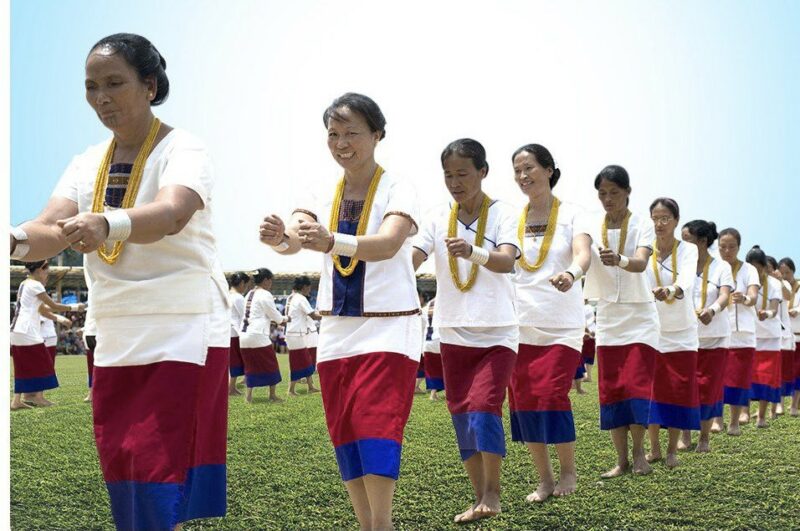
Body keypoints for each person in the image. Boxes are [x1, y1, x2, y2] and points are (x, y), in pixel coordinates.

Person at [9, 33, 230, 530]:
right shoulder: (86, 161)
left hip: (182, 325)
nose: (101, 98)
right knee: (124, 459)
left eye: (114, 83)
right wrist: (13, 240)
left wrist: (108, 223)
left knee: (159, 464)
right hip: (115, 327)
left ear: (149, 85)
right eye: (91, 87)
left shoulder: (184, 148)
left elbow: (172, 213)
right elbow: (50, 228)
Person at [259, 93, 420, 530]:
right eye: (333, 134)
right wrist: (279, 238)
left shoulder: (398, 187)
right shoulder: (319, 190)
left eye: (352, 133)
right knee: (345, 427)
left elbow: (389, 243)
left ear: (377, 134)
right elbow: (297, 236)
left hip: (390, 326)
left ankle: (382, 523)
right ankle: (367, 524)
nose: (341, 143)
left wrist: (331, 241)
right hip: (336, 328)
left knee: (377, 423)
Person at [412, 138, 518, 522]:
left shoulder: (505, 213)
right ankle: (478, 497)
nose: (455, 183)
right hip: (453, 331)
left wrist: (472, 251)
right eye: (448, 176)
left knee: (484, 406)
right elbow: (413, 258)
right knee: (460, 412)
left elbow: (507, 261)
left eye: (462, 174)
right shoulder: (437, 216)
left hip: (498, 331)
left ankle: (493, 493)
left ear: (483, 172)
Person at [506, 143, 591, 502]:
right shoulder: (511, 218)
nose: (523, 176)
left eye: (529, 168)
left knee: (552, 394)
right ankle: (544, 479)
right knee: (523, 399)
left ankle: (568, 471)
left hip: (561, 324)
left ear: (549, 170)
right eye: (517, 171)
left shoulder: (573, 214)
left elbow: (583, 254)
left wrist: (571, 274)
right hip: (520, 323)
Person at [576, 165, 659, 478]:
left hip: (640, 316)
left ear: (628, 192)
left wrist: (620, 259)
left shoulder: (642, 224)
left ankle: (639, 455)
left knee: (636, 385)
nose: (608, 199)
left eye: (614, 192)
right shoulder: (590, 225)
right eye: (602, 193)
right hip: (609, 315)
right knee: (612, 388)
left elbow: (640, 263)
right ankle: (621, 460)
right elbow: (581, 256)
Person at [644, 198, 700, 468]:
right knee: (653, 390)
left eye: (665, 218)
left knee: (678, 390)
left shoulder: (688, 249)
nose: (660, 223)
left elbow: (687, 278)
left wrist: (672, 289)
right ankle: (654, 448)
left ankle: (672, 451)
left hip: (682, 333)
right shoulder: (645, 250)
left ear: (676, 221)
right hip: (653, 331)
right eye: (655, 218)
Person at [680, 220, 732, 452]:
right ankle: (685, 436)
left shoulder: (721, 267)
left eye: (687, 240)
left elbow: (724, 295)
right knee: (685, 386)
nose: (682, 244)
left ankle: (704, 438)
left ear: (702, 241)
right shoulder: (681, 266)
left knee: (708, 388)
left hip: (715, 338)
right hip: (686, 337)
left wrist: (712, 310)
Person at [10, 261, 83, 409]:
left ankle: (17, 401)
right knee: (44, 363)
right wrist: (75, 307)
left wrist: (59, 318)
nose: (46, 276)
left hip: (18, 329)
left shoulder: (25, 284)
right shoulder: (35, 285)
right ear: (39, 270)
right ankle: (37, 397)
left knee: (22, 365)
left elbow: (42, 309)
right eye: (46, 272)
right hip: (27, 330)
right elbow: (53, 305)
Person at [747, 247, 782, 427]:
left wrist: (766, 314)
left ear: (764, 267)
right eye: (752, 267)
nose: (756, 271)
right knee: (748, 374)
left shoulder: (774, 284)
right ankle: (744, 413)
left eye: (759, 267)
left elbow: (774, 309)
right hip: (750, 336)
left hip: (770, 338)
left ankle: (761, 416)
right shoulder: (744, 282)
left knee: (767, 377)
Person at [238, 268, 285, 402]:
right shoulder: (265, 294)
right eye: (270, 281)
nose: (271, 284)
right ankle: (272, 395)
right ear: (265, 280)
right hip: (258, 334)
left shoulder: (249, 293)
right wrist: (284, 319)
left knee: (250, 365)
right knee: (271, 364)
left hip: (244, 335)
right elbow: (275, 316)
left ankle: (248, 396)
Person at [767, 256, 795, 416]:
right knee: (768, 371)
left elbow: (788, 296)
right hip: (765, 333)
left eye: (770, 269)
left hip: (782, 333)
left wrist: (779, 281)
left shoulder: (781, 283)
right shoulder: (759, 284)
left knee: (781, 371)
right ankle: (767, 408)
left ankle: (779, 404)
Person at [285, 275, 321, 396]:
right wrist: (328, 316)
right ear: (304, 286)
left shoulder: (291, 297)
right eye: (309, 287)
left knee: (305, 361)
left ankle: (310, 386)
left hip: (293, 332)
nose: (310, 290)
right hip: (296, 333)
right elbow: (313, 315)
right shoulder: (301, 298)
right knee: (298, 361)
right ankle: (291, 390)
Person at [778, 257, 800, 416]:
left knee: (798, 372)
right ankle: (778, 404)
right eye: (782, 273)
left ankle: (793, 406)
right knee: (782, 371)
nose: (785, 275)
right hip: (784, 337)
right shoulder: (778, 287)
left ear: (793, 271)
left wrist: (797, 310)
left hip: (798, 336)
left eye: (788, 272)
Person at [228, 271, 250, 395]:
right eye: (246, 285)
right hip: (235, 333)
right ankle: (231, 388)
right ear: (242, 283)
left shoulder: (227, 295)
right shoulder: (238, 297)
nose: (245, 288)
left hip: (227, 332)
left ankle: (232, 387)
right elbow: (244, 316)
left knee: (232, 360)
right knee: (235, 361)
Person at [422, 297, 445, 400]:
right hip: (440, 339)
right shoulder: (443, 302)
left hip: (428, 341)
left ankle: (433, 394)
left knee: (433, 369)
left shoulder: (428, 306)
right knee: (447, 368)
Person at [581, 301, 596, 382]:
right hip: (592, 334)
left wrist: (588, 332)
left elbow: (583, 322)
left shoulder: (582, 307)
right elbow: (594, 319)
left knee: (582, 356)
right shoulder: (590, 307)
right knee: (590, 356)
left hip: (586, 334)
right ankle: (588, 376)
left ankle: (585, 376)